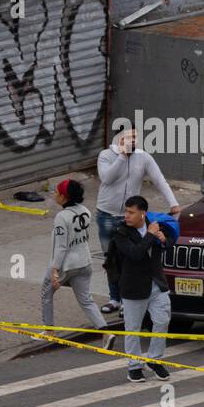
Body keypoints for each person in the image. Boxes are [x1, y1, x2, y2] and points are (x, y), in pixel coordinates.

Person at [96, 129, 180, 315]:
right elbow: (106, 178)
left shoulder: (143, 157)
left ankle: (128, 300)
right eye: (128, 137)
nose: (133, 141)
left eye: (135, 137)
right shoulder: (106, 155)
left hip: (130, 218)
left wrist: (173, 203)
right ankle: (114, 298)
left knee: (129, 258)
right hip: (107, 215)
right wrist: (122, 157)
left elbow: (159, 180)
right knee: (111, 258)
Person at [106, 195, 171, 383]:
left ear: (142, 213)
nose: (126, 215)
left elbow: (168, 246)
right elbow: (135, 254)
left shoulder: (156, 226)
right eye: (126, 211)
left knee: (162, 321)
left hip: (157, 284)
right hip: (133, 286)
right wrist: (151, 235)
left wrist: (163, 240)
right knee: (133, 328)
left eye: (131, 212)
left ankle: (154, 359)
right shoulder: (121, 233)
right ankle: (134, 366)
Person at [41, 179, 110, 340]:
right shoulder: (86, 211)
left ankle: (49, 331)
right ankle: (106, 332)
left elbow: (61, 247)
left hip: (67, 265)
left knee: (46, 293)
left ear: (64, 197)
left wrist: (55, 270)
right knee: (86, 300)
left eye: (57, 193)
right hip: (85, 263)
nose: (55, 195)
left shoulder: (61, 217)